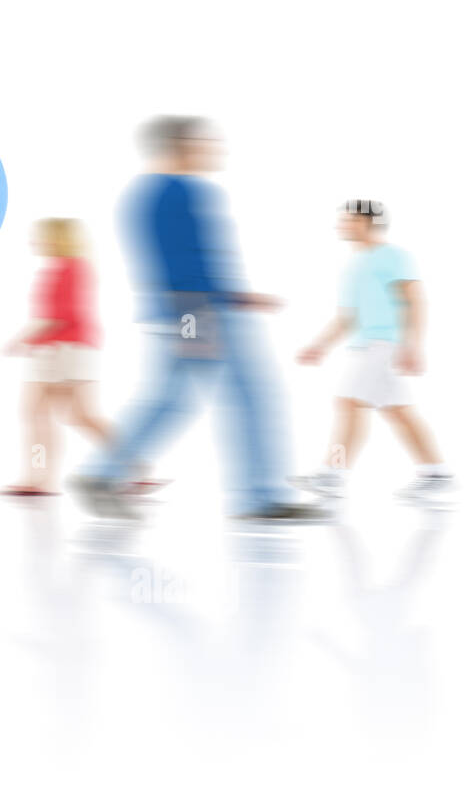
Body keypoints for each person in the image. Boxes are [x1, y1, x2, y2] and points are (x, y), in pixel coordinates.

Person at [70, 117, 323, 521]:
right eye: (205, 142)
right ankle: (260, 496)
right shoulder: (180, 189)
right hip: (200, 309)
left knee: (171, 400)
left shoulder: (145, 192)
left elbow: (175, 259)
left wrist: (231, 299)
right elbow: (189, 261)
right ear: (181, 143)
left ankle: (102, 472)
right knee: (251, 394)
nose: (212, 149)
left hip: (187, 307)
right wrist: (205, 311)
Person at [294, 200, 453, 503]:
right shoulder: (353, 265)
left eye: (349, 221)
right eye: (342, 221)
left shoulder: (394, 257)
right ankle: (437, 474)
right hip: (366, 346)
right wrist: (319, 346)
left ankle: (333, 474)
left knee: (347, 402)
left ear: (369, 222)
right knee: (398, 411)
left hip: (386, 344)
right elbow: (347, 317)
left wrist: (414, 344)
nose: (342, 226)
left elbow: (416, 300)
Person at [1, 218, 112, 496]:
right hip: (71, 349)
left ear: (56, 238)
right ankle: (135, 465)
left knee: (37, 413)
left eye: (40, 236)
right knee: (79, 414)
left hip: (61, 350)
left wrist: (20, 339)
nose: (35, 242)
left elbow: (57, 315)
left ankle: (39, 477)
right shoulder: (76, 266)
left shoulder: (67, 268)